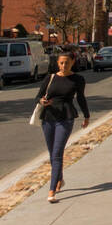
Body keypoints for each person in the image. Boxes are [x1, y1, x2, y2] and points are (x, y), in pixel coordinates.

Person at [34, 50, 90, 202]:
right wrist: (42, 101)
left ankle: (52, 191)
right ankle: (60, 178)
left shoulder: (77, 79)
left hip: (65, 118)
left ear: (72, 62)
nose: (63, 65)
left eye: (67, 62)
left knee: (57, 153)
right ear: (57, 63)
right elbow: (38, 96)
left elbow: (81, 98)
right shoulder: (50, 77)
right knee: (52, 153)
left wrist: (86, 116)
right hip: (48, 117)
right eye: (61, 63)